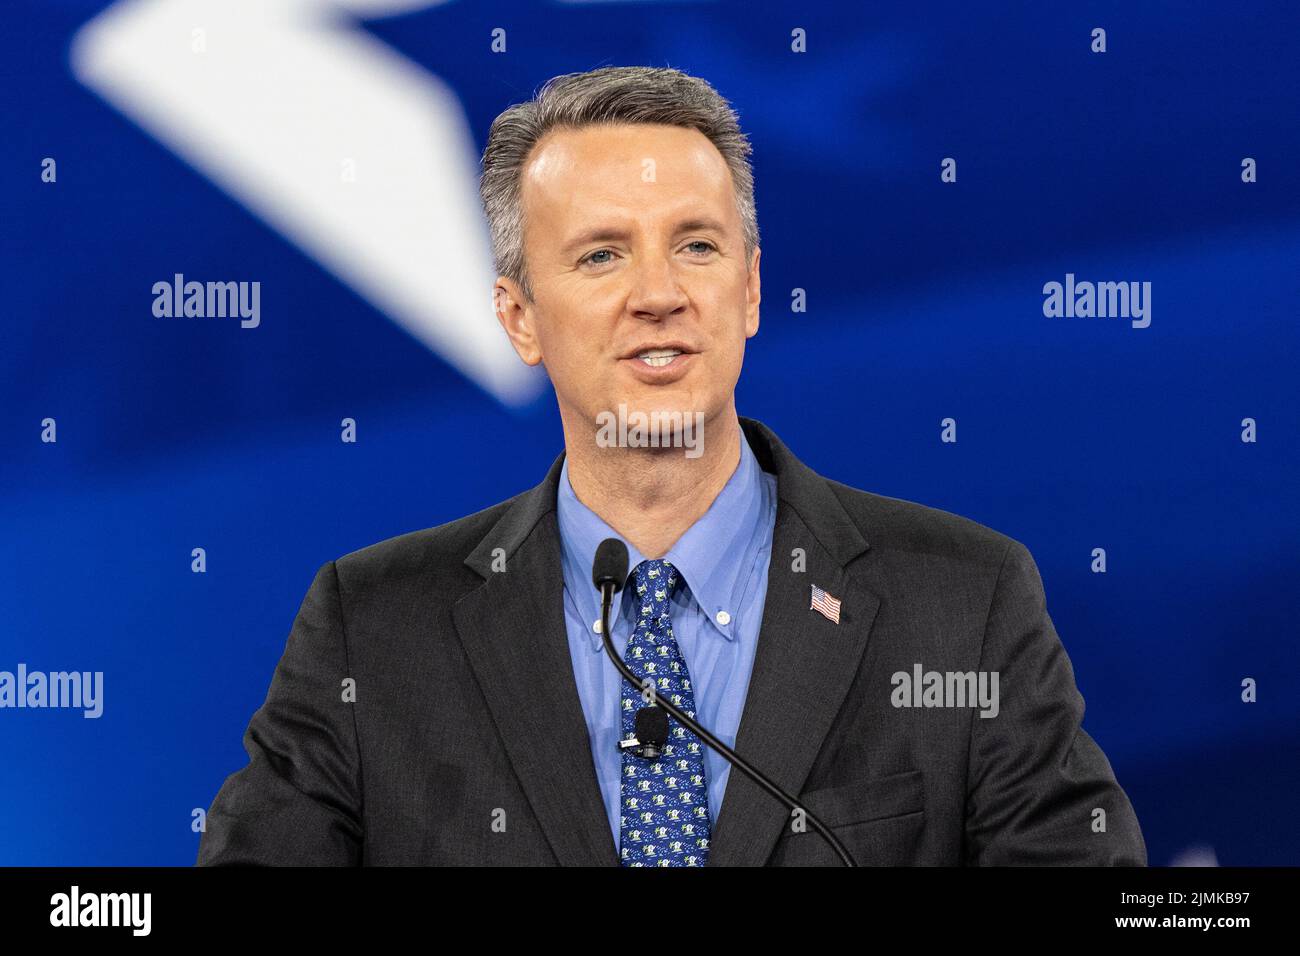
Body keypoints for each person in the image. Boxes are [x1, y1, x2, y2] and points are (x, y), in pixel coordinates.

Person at [197, 65, 1145, 867]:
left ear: (752, 289)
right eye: (602, 255)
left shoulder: (963, 604)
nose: (659, 295)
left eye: (696, 245)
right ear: (519, 317)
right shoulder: (372, 632)